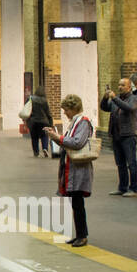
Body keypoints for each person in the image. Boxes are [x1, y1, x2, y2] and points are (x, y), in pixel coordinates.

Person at [46, 94, 93, 248]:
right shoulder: (75, 122)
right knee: (75, 202)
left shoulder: (83, 123)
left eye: (66, 110)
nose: (65, 113)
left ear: (73, 108)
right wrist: (55, 136)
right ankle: (80, 234)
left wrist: (57, 137)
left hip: (78, 169)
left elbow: (77, 142)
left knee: (77, 202)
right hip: (72, 167)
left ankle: (82, 235)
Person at [99, 77, 137, 196]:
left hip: (128, 135)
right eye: (119, 85)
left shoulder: (133, 99)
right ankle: (122, 187)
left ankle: (133, 188)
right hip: (116, 135)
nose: (120, 87)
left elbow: (128, 108)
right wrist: (105, 98)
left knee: (131, 163)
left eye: (123, 85)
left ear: (129, 87)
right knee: (120, 163)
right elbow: (104, 107)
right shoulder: (116, 100)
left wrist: (114, 98)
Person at [27, 86, 53, 158]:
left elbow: (27, 110)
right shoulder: (45, 101)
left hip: (33, 121)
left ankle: (36, 152)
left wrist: (27, 121)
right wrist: (51, 124)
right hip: (43, 121)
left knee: (34, 137)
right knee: (44, 135)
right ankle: (45, 148)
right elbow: (48, 113)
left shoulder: (31, 99)